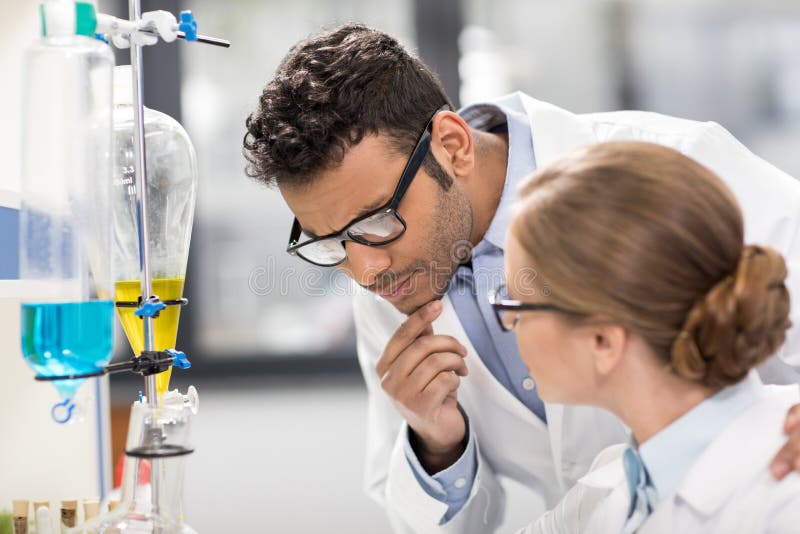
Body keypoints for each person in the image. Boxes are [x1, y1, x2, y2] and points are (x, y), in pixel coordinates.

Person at [242, 24, 800, 533]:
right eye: (329, 242)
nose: (363, 270)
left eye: (377, 221)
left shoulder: (675, 165)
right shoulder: (389, 276)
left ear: (453, 146)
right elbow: (429, 520)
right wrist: (437, 445)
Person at [501, 141, 800, 533]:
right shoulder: (616, 486)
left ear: (603, 341)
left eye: (517, 304)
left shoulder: (783, 503)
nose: (508, 322)